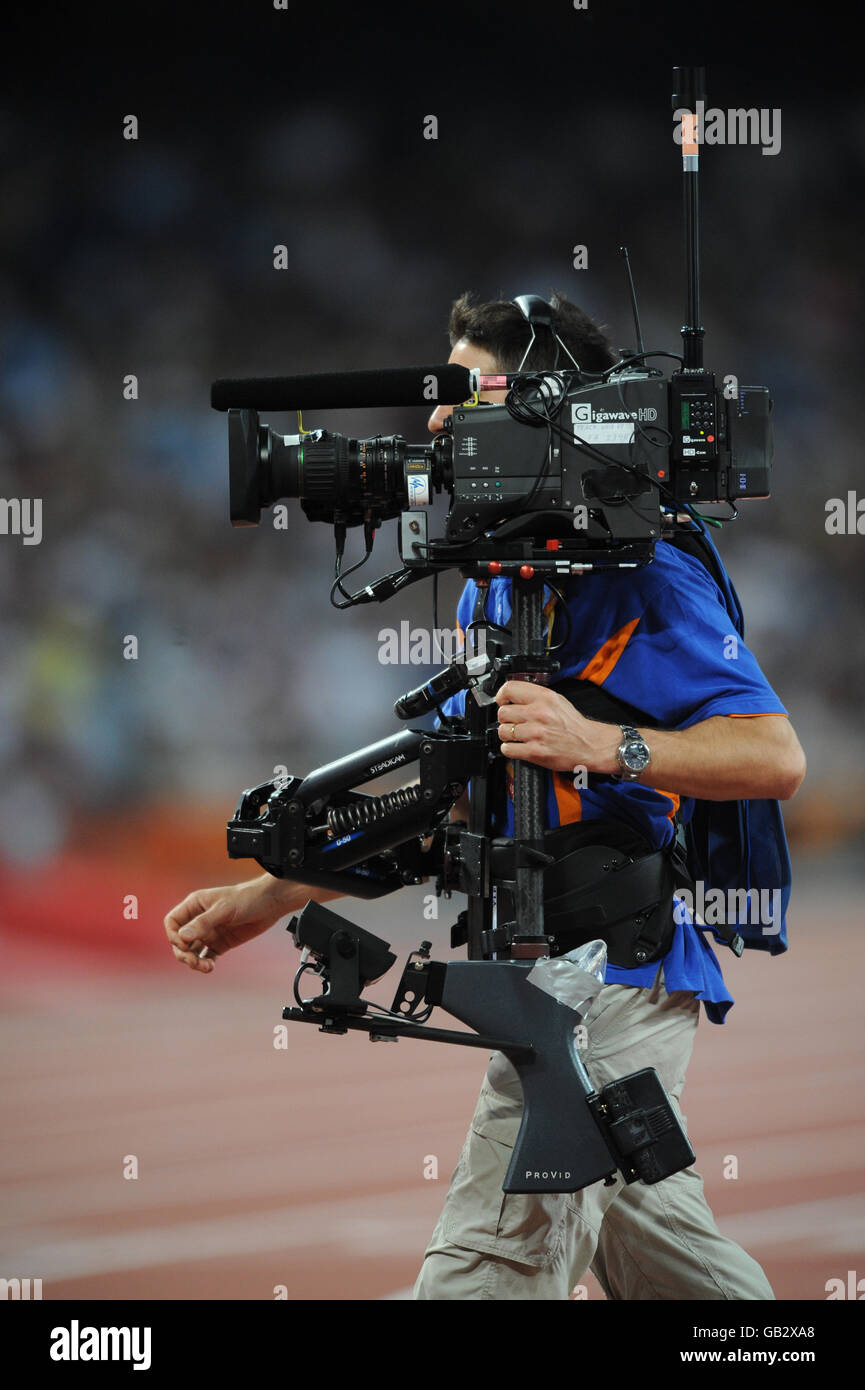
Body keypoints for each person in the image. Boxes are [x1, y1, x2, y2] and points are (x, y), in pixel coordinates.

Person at [164, 291, 806, 1301]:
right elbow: (457, 790)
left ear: (547, 411)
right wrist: (267, 894)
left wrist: (599, 742)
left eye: (469, 391)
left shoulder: (645, 574)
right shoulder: (491, 581)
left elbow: (773, 756)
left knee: (485, 1272)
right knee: (678, 1271)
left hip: (608, 974)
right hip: (547, 960)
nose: (434, 419)